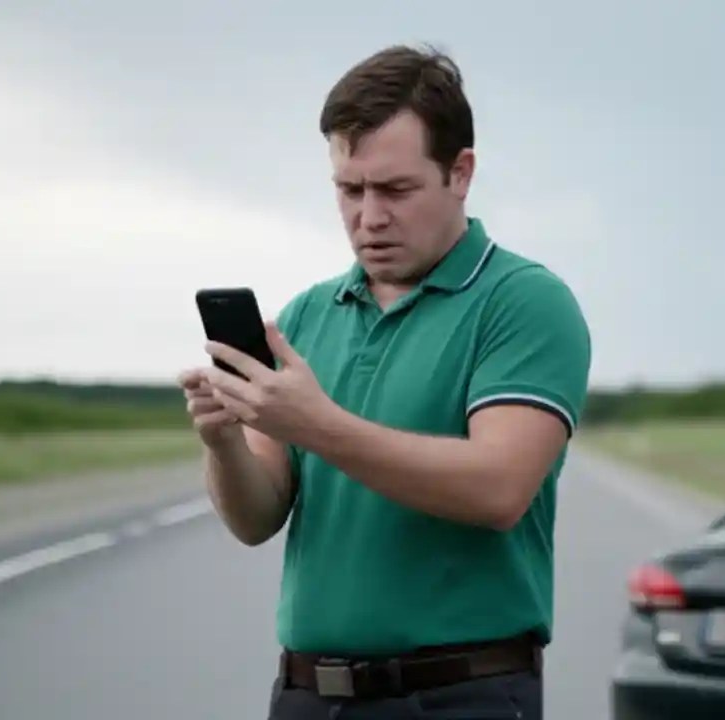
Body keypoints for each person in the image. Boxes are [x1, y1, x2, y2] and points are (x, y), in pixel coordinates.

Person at [177, 43, 591, 719]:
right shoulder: (308, 315)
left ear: (460, 172)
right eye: (349, 189)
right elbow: (256, 520)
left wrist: (317, 426)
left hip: (462, 696)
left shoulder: (524, 302)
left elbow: (499, 488)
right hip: (308, 694)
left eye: (396, 189)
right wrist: (223, 441)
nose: (369, 217)